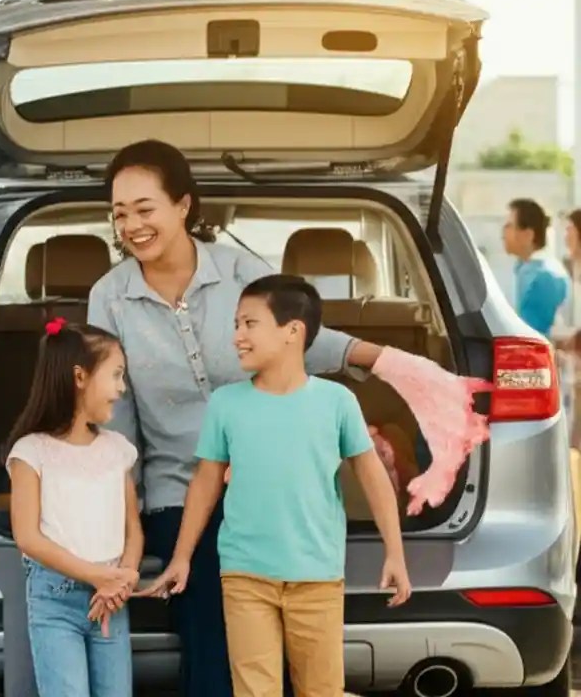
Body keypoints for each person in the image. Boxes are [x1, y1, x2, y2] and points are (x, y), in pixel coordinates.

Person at [86, 139, 472, 697]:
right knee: (213, 638)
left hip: (271, 485)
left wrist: (383, 359)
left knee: (295, 654)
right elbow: (116, 412)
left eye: (145, 209)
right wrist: (130, 521)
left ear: (183, 206)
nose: (132, 225)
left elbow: (293, 338)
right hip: (178, 490)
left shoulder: (239, 270)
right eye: (120, 214)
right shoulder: (110, 297)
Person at [141, 275, 411, 697]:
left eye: (250, 324)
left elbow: (371, 474)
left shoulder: (336, 401)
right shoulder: (226, 404)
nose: (237, 337)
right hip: (245, 576)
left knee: (321, 690)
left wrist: (394, 551)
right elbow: (206, 480)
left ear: (293, 332)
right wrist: (182, 558)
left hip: (317, 576)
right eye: (236, 325)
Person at [4, 318, 142, 697]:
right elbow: (28, 537)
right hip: (55, 601)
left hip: (111, 599)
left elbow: (133, 528)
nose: (121, 388)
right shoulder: (31, 452)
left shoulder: (117, 450)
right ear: (80, 377)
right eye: (115, 375)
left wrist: (125, 574)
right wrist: (98, 576)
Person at [503, 198, 569, 336]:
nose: (503, 232)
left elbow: (531, 336)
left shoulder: (542, 277)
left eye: (509, 226)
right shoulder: (529, 269)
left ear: (528, 235)